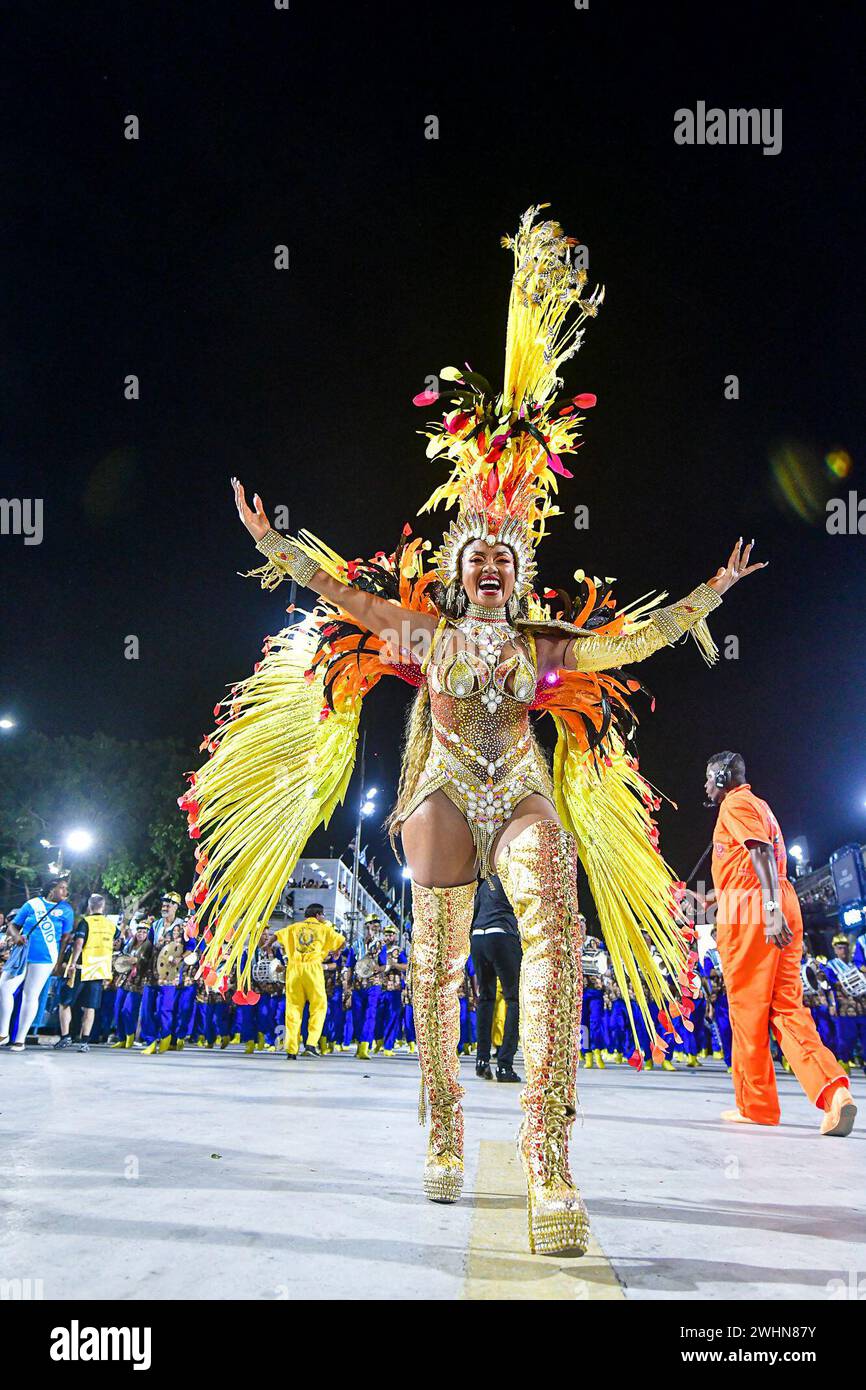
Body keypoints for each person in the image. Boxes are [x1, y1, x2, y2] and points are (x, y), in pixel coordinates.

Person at [188, 207, 762, 1256]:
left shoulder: (546, 644)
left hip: (521, 788)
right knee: (438, 967)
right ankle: (444, 1129)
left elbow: (628, 643)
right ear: (454, 574)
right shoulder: (420, 627)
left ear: (522, 572)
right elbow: (337, 594)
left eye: (505, 555)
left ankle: (548, 1163)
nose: (490, 561)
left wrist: (707, 596)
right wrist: (273, 542)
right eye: (474, 557)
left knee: (556, 931)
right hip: (444, 786)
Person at [703, 751, 855, 1135]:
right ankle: (834, 1093)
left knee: (747, 1011)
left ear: (722, 779)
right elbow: (747, 865)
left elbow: (760, 852)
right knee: (787, 1008)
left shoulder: (735, 805)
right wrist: (710, 899)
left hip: (756, 911)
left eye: (708, 779)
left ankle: (755, 1106)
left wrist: (768, 910)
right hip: (776, 902)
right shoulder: (759, 805)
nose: (704, 787)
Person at [0, 876, 75, 1050]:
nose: (66, 892)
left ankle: (20, 1039)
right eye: (62, 888)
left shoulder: (66, 910)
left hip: (45, 956)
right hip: (22, 954)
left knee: (30, 995)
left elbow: (65, 938)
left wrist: (59, 962)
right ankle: (3, 1032)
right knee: (4, 987)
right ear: (52, 888)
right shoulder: (32, 904)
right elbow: (13, 925)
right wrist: (16, 936)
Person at [274, 903, 346, 1059]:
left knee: (293, 1010)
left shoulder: (294, 927)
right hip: (313, 969)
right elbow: (342, 941)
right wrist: (337, 951)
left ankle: (291, 1050)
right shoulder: (323, 928)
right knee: (319, 1007)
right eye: (323, 915)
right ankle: (311, 1044)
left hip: (293, 970)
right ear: (318, 915)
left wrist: (266, 944)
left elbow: (277, 935)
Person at [471, 875, 521, 1082]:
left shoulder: (485, 884)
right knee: (513, 999)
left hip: (478, 936)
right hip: (502, 934)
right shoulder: (513, 877)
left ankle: (482, 1060)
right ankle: (504, 1065)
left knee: (486, 998)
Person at [56, 892, 115, 1051]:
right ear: (103, 907)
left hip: (81, 968)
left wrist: (72, 964)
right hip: (99, 971)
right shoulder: (110, 925)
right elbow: (114, 943)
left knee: (64, 1002)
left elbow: (79, 944)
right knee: (90, 1007)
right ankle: (85, 1042)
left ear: (90, 906)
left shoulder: (85, 922)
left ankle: (65, 1037)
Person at [820, 934, 866, 1074]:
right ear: (835, 949)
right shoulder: (831, 967)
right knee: (845, 1040)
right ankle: (843, 1063)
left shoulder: (856, 965)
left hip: (861, 1009)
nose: (843, 951)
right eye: (840, 948)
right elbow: (825, 985)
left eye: (845, 948)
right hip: (844, 1010)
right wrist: (831, 1003)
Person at [349, 915, 384, 1060]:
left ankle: (364, 1046)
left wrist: (379, 968)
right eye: (372, 924)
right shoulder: (355, 945)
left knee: (370, 1014)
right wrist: (346, 986)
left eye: (376, 924)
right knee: (357, 1016)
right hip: (357, 985)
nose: (375, 926)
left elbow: (384, 966)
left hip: (373, 984)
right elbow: (349, 966)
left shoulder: (381, 945)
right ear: (366, 926)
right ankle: (358, 1044)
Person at [377, 924, 408, 1055]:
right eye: (386, 934)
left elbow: (406, 966)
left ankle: (388, 1046)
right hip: (379, 987)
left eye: (391, 934)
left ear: (395, 936)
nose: (388, 937)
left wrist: (394, 965)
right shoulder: (378, 949)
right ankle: (378, 1041)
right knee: (378, 1016)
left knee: (392, 1017)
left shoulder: (399, 951)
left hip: (394, 988)